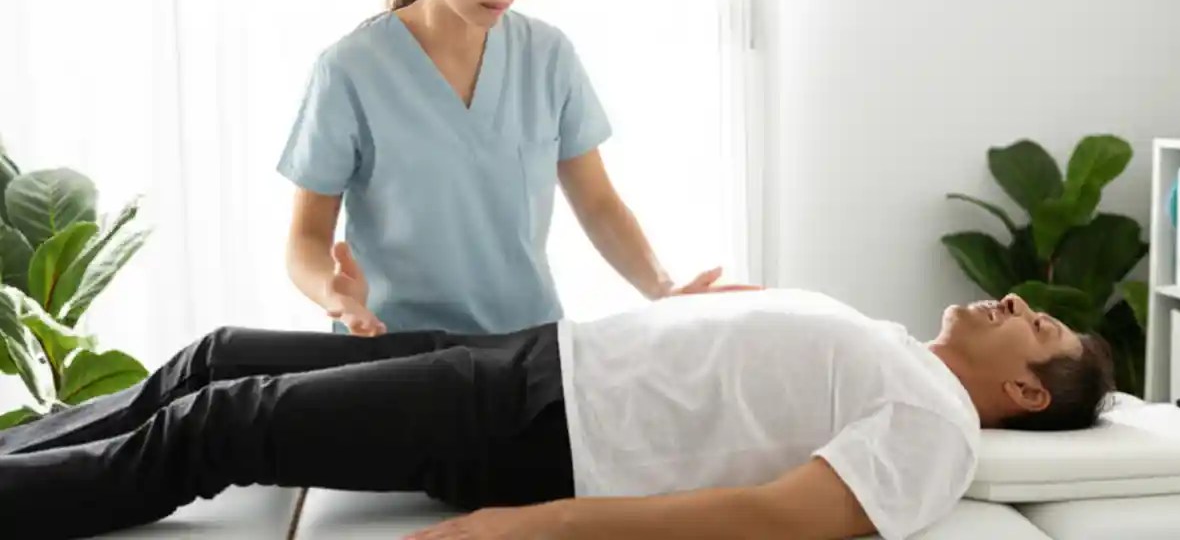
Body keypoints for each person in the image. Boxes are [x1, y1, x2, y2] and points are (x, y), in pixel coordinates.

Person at [0, 291, 1113, 539]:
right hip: (537, 357)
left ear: (1023, 393)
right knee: (216, 352)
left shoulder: (937, 426)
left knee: (225, 422)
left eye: (1041, 331)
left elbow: (779, 518)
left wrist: (530, 528)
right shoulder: (887, 344)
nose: (1019, 305)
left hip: (542, 426)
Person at [278, 0, 746, 339]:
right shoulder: (351, 70)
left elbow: (598, 203)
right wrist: (332, 292)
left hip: (530, 352)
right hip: (397, 358)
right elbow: (307, 237)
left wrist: (663, 289)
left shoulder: (547, 56)